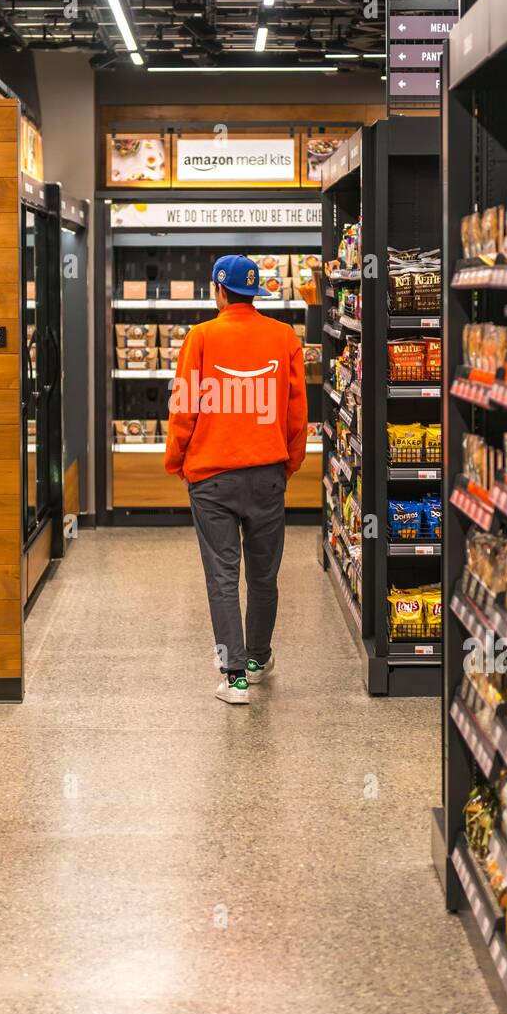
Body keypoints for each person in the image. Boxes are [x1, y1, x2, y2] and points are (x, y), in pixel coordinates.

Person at [164, 253, 308, 705]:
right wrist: (288, 464)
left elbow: (184, 404)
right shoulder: (284, 337)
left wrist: (176, 460)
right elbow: (297, 411)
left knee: (222, 577)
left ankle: (235, 678)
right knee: (263, 575)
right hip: (267, 474)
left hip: (212, 478)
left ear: (219, 291)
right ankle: (259, 659)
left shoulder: (201, 337)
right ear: (256, 290)